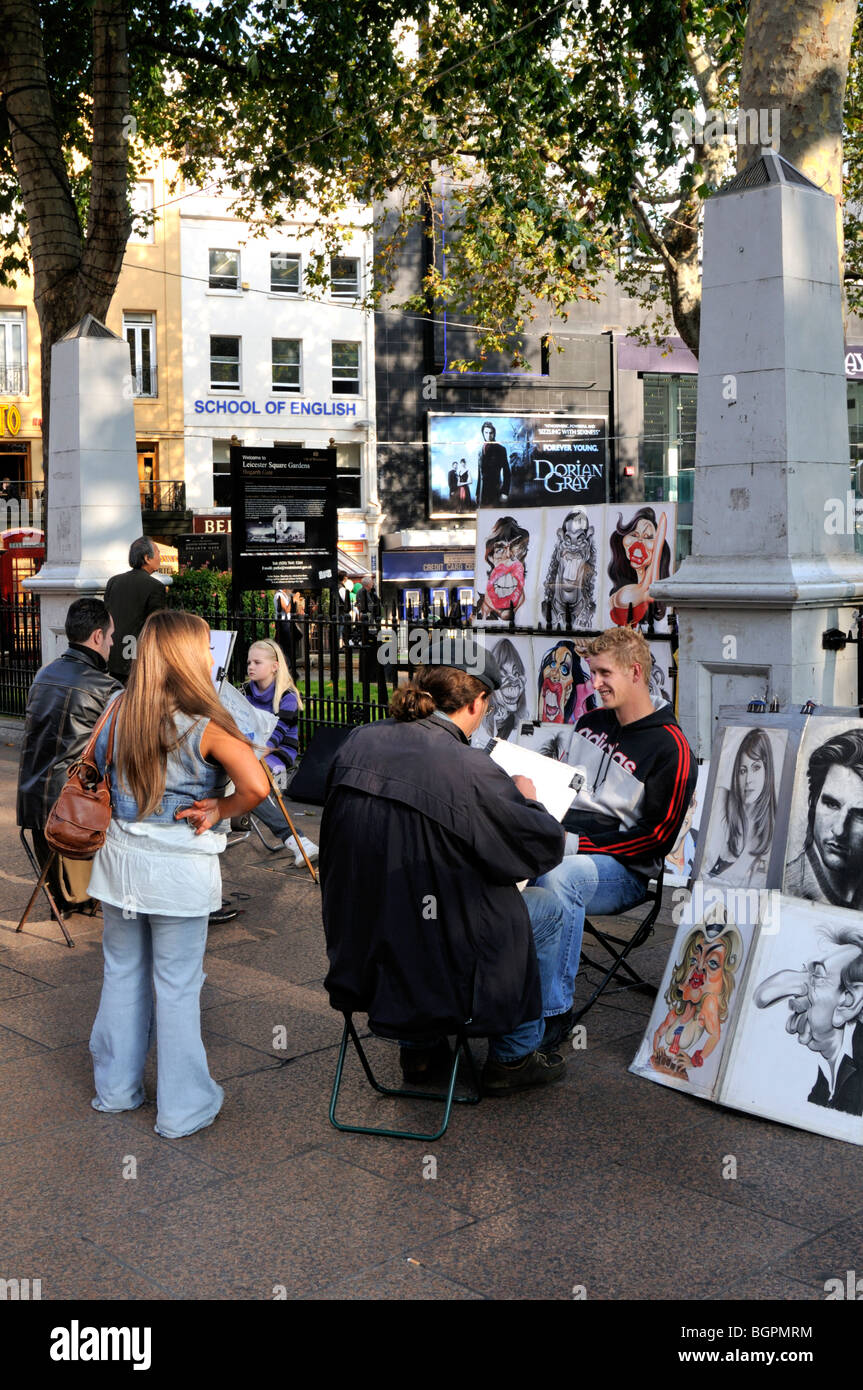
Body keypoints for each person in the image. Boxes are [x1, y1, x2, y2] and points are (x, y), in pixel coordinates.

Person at [320, 653, 572, 1093]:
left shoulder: (359, 740)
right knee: (548, 907)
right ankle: (513, 1058)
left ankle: (419, 1050)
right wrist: (527, 799)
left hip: (359, 943)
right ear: (477, 702)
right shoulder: (468, 767)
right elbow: (539, 846)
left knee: (418, 897)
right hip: (444, 952)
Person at [87, 610, 270, 1139]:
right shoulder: (205, 723)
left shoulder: (121, 709)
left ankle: (116, 1091)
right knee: (177, 987)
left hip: (121, 861)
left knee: (121, 973)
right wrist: (219, 809)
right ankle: (181, 1109)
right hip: (178, 869)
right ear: (189, 656)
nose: (212, 656)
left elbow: (94, 767)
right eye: (205, 649)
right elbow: (257, 787)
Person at [535, 626, 696, 1048]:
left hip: (623, 870)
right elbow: (567, 790)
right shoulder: (588, 722)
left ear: (636, 672)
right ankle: (492, 996)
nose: (595, 683)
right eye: (593, 673)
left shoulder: (671, 748)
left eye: (605, 673)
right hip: (561, 841)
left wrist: (575, 845)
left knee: (560, 878)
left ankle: (552, 1012)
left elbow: (656, 839)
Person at [17, 597, 120, 909]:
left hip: (33, 804)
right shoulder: (108, 688)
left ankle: (71, 894)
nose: (113, 643)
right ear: (97, 636)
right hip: (76, 813)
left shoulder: (42, 674)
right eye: (112, 635)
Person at [754, 925, 863, 1116]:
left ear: (848, 1001)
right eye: (805, 971)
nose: (796, 991)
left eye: (817, 977)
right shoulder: (823, 1084)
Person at [243, 639, 319, 866]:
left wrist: (255, 751)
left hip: (278, 752)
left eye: (257, 662)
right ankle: (296, 840)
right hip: (249, 749)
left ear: (275, 666)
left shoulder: (287, 695)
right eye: (249, 662)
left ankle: (295, 839)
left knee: (248, 783)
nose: (250, 666)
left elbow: (277, 735)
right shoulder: (245, 690)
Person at [785, 729, 863, 910]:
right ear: (813, 802)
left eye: (860, 814)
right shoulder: (787, 891)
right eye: (831, 804)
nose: (839, 829)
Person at [707, 728, 775, 885]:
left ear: (767, 771)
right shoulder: (724, 801)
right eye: (742, 771)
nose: (748, 779)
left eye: (756, 768)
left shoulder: (771, 829)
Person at [104, 536, 167, 682]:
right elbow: (156, 626)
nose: (160, 557)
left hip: (112, 655)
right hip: (138, 659)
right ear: (147, 558)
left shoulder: (114, 582)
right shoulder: (155, 587)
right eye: (158, 553)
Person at [607, 506, 670, 628]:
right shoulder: (624, 592)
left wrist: (658, 548)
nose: (639, 541)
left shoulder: (646, 588)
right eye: (634, 535)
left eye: (648, 537)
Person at [476, 421, 510, 507]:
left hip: (495, 491)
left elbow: (507, 472)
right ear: (483, 433)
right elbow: (479, 474)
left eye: (491, 433)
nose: (488, 435)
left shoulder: (500, 449)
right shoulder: (480, 451)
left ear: (494, 433)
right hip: (482, 493)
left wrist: (505, 492)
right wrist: (477, 493)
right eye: (486, 433)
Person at [355, 575, 382, 685]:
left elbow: (377, 605)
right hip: (366, 624)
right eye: (372, 582)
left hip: (372, 624)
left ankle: (373, 675)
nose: (373, 583)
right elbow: (364, 607)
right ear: (367, 584)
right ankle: (367, 676)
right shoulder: (362, 593)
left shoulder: (372, 593)